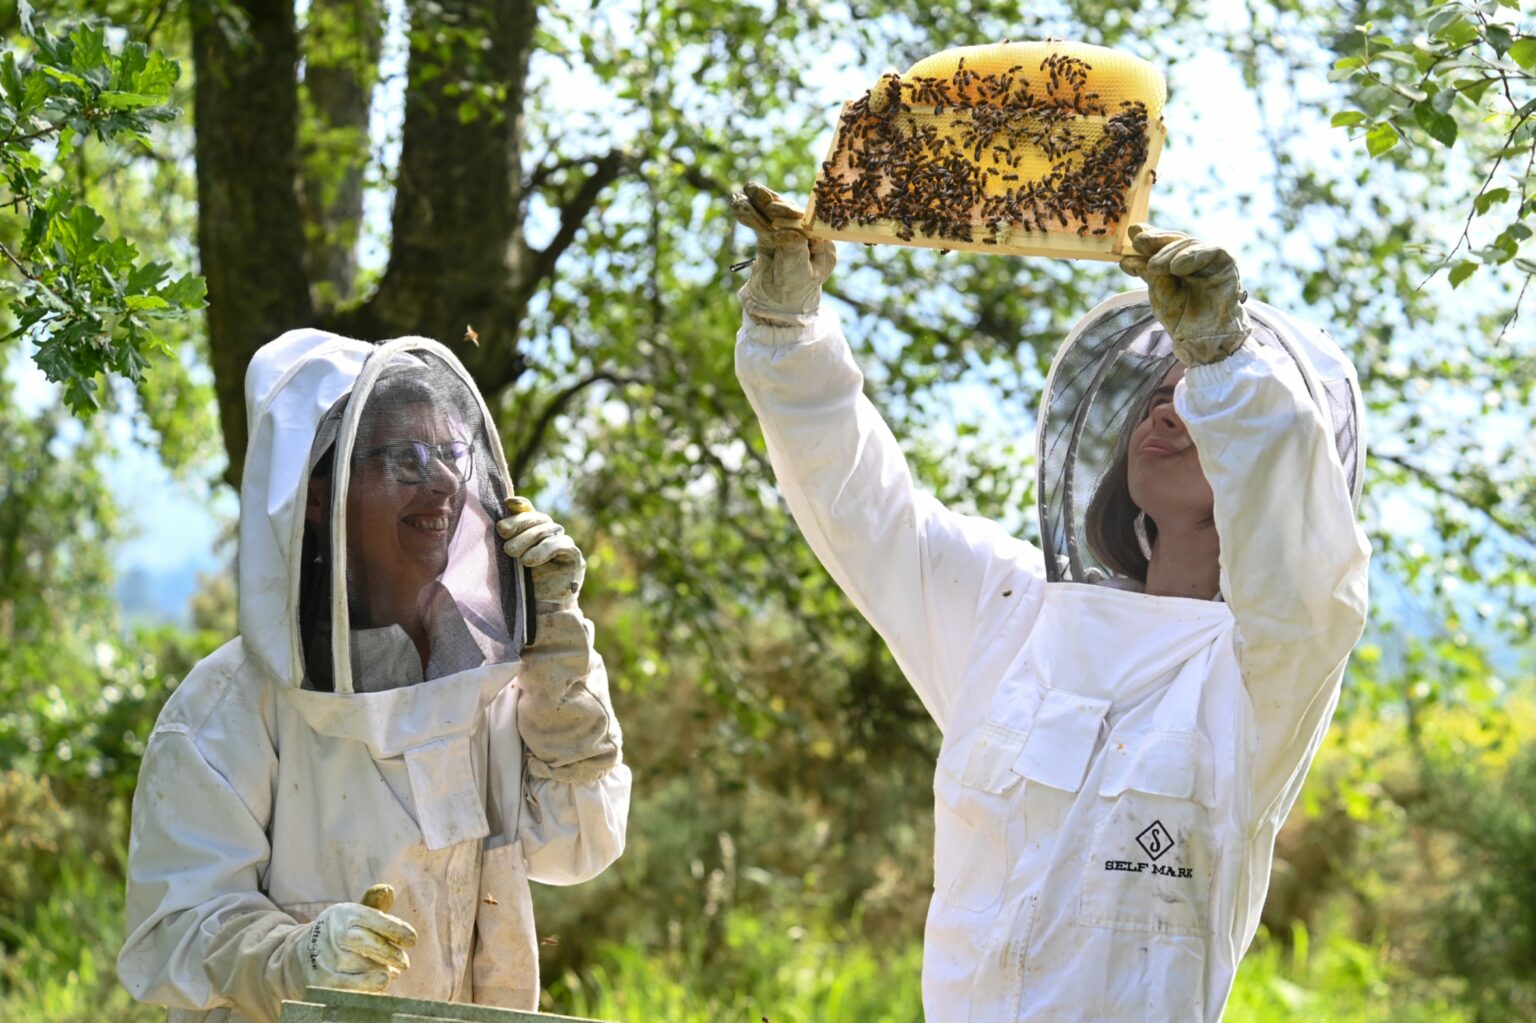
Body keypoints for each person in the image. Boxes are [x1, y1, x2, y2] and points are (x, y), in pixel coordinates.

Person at [730, 182, 1369, 1021]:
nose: (1165, 417)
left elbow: (1300, 563)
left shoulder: (1266, 676)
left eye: (1199, 403)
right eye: (1157, 399)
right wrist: (788, 332)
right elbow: (864, 509)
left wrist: (1228, 362)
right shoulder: (1013, 609)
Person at [118, 331, 630, 1023]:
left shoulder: (487, 680)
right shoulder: (224, 709)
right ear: (319, 496)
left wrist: (561, 650)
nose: (443, 482)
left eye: (452, 454)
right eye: (405, 459)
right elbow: (174, 929)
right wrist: (294, 958)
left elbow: (579, 841)